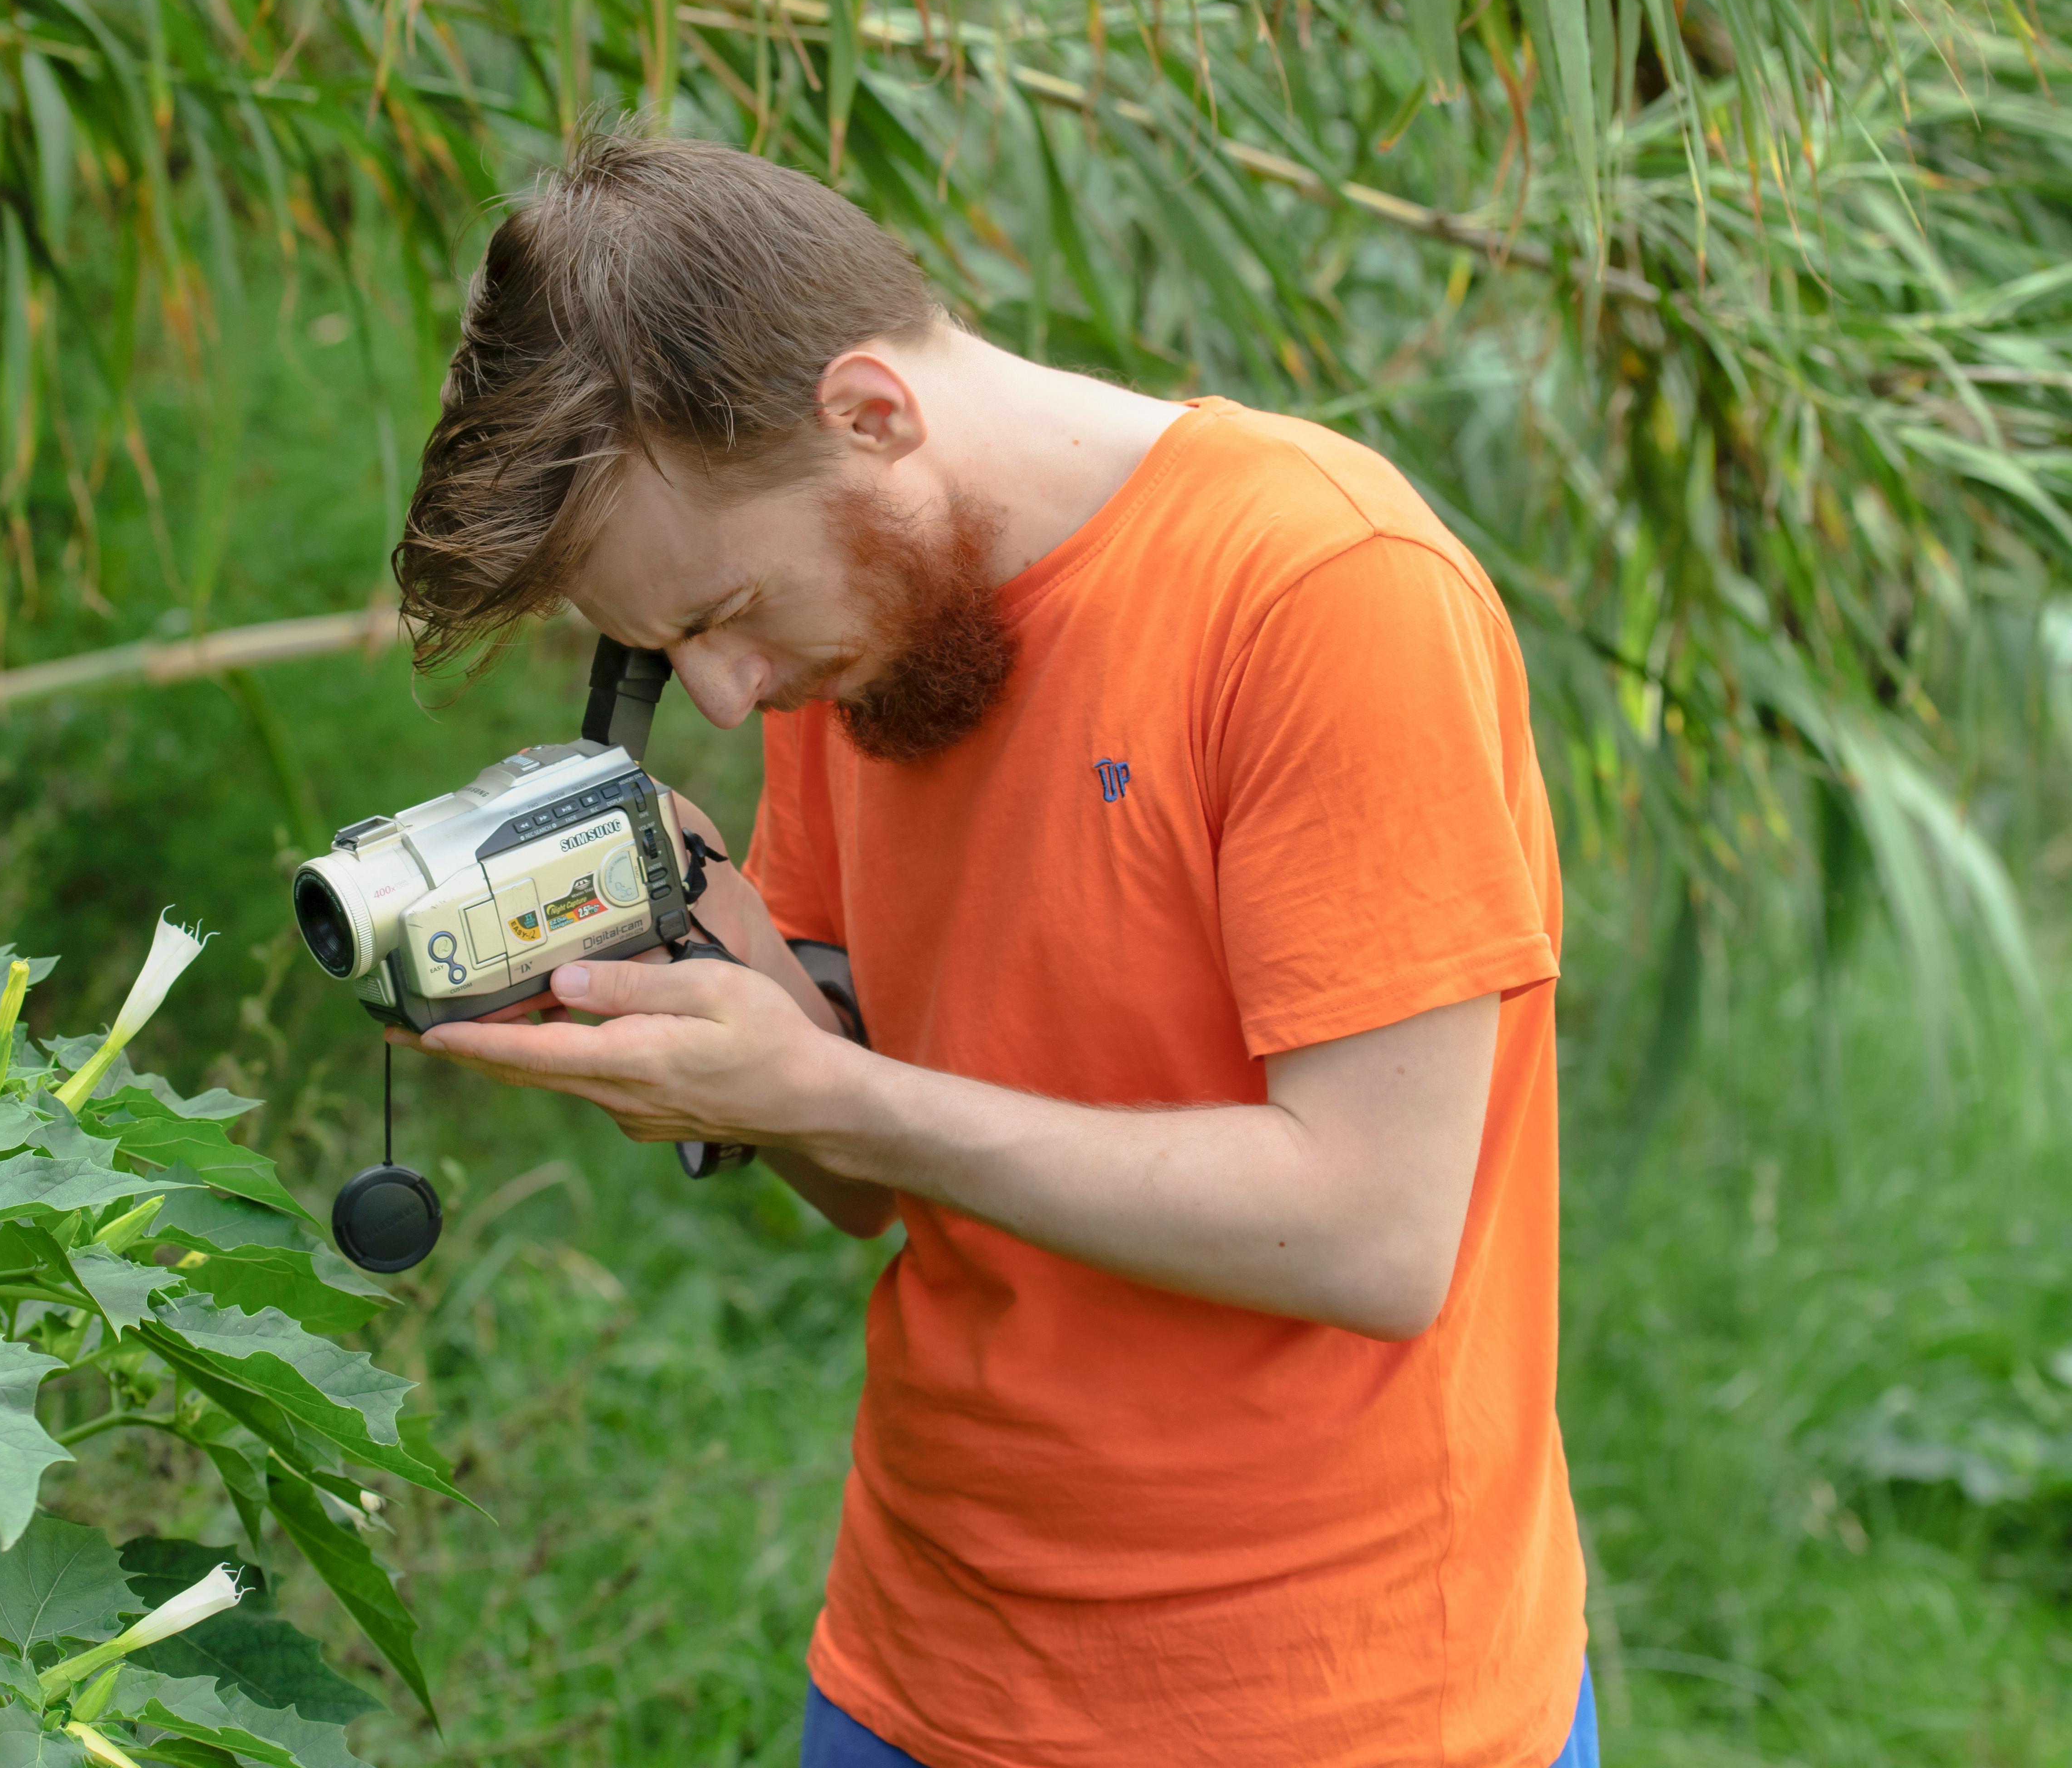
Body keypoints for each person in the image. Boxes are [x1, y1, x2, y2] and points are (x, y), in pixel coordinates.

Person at [387, 129, 1595, 1768]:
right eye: (669, 648)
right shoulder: (873, 626)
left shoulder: (1319, 589)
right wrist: (735, 1031)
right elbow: (884, 1185)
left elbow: (1373, 1235)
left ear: (872, 414)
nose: (729, 698)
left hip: (1325, 1704)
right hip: (920, 1664)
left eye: (723, 612)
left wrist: (837, 1101)